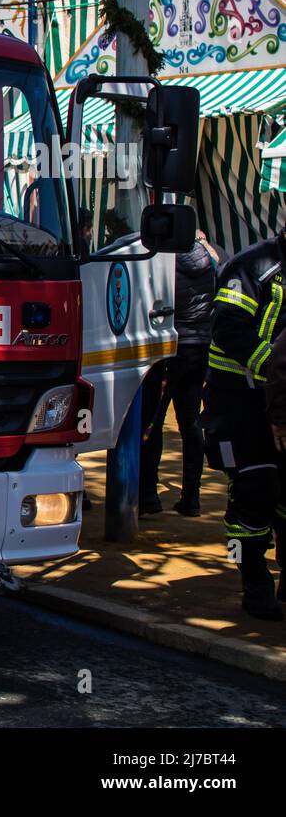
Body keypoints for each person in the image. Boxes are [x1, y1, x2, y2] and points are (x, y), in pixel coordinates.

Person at [200, 229, 286, 620]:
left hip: (281, 398)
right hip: (239, 400)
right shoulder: (253, 266)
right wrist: (273, 368)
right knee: (255, 489)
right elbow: (228, 326)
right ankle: (255, 584)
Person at [139, 229, 217, 516]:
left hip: (171, 347)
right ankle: (192, 496)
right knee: (190, 422)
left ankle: (148, 496)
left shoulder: (165, 260)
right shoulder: (208, 259)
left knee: (154, 421)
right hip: (200, 345)